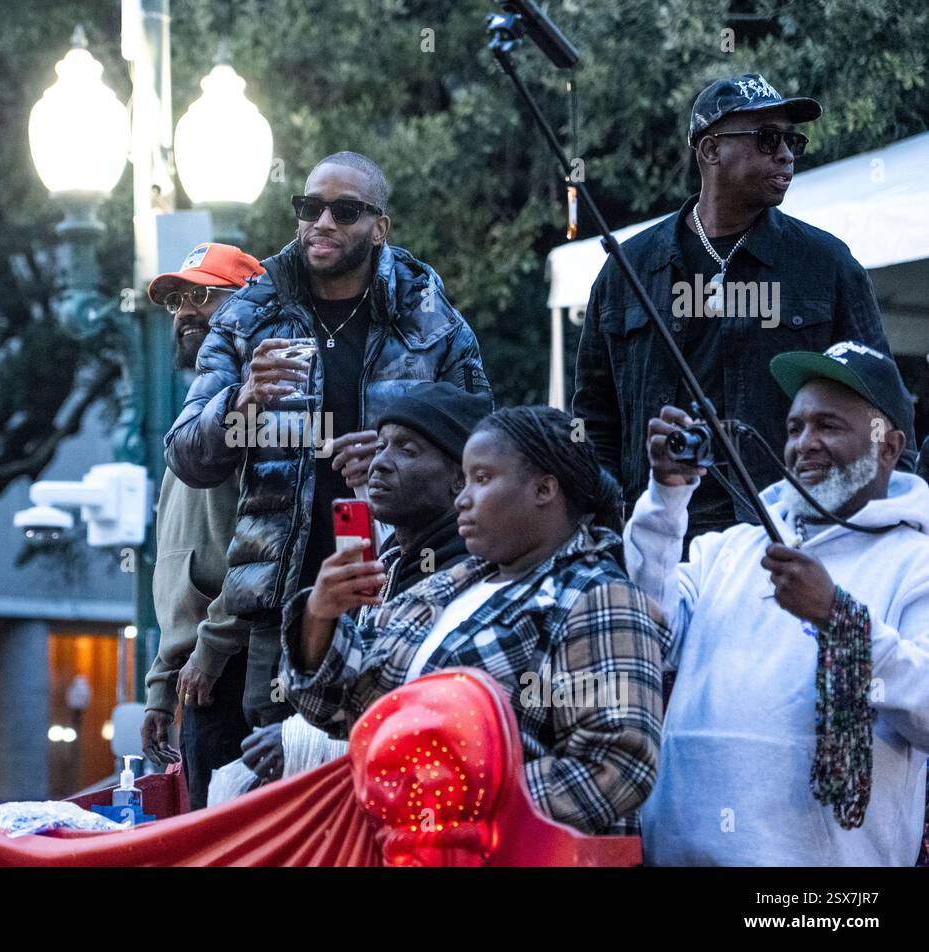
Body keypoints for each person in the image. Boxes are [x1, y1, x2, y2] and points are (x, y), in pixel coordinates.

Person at [164, 151, 491, 733]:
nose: (324, 224)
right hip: (279, 607)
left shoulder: (428, 317)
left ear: (379, 227)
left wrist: (405, 456)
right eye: (310, 208)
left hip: (400, 595)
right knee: (279, 781)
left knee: (388, 766)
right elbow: (186, 455)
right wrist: (240, 403)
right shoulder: (250, 314)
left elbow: (484, 451)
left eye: (345, 212)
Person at [278, 406, 669, 835]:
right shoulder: (450, 586)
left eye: (482, 479)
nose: (463, 497)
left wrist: (457, 810)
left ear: (544, 489)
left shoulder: (595, 595)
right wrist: (320, 615)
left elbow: (617, 763)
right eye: (464, 480)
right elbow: (347, 708)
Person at [625, 341, 929, 865]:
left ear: (888, 446)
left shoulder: (917, 562)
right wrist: (666, 496)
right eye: (794, 429)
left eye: (829, 426)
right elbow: (641, 635)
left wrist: (838, 618)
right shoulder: (728, 548)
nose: (805, 445)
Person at [573, 73, 909, 541]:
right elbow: (595, 420)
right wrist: (603, 525)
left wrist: (889, 524)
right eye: (768, 138)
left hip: (788, 532)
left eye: (793, 140)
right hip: (658, 531)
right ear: (711, 150)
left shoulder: (825, 264)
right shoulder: (628, 270)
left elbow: (883, 400)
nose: (786, 154)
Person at [238, 381, 490, 783]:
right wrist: (318, 614)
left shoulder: (473, 574)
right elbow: (333, 699)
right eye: (382, 445)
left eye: (407, 450)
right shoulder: (388, 562)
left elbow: (414, 713)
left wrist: (300, 741)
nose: (380, 463)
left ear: (460, 480)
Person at [140, 242, 264, 810]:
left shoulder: (259, 405)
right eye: (177, 301)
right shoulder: (197, 419)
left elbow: (266, 547)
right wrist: (161, 690)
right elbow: (179, 565)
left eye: (204, 296)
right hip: (198, 674)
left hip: (238, 666)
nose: (186, 311)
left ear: (250, 307)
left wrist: (210, 652)